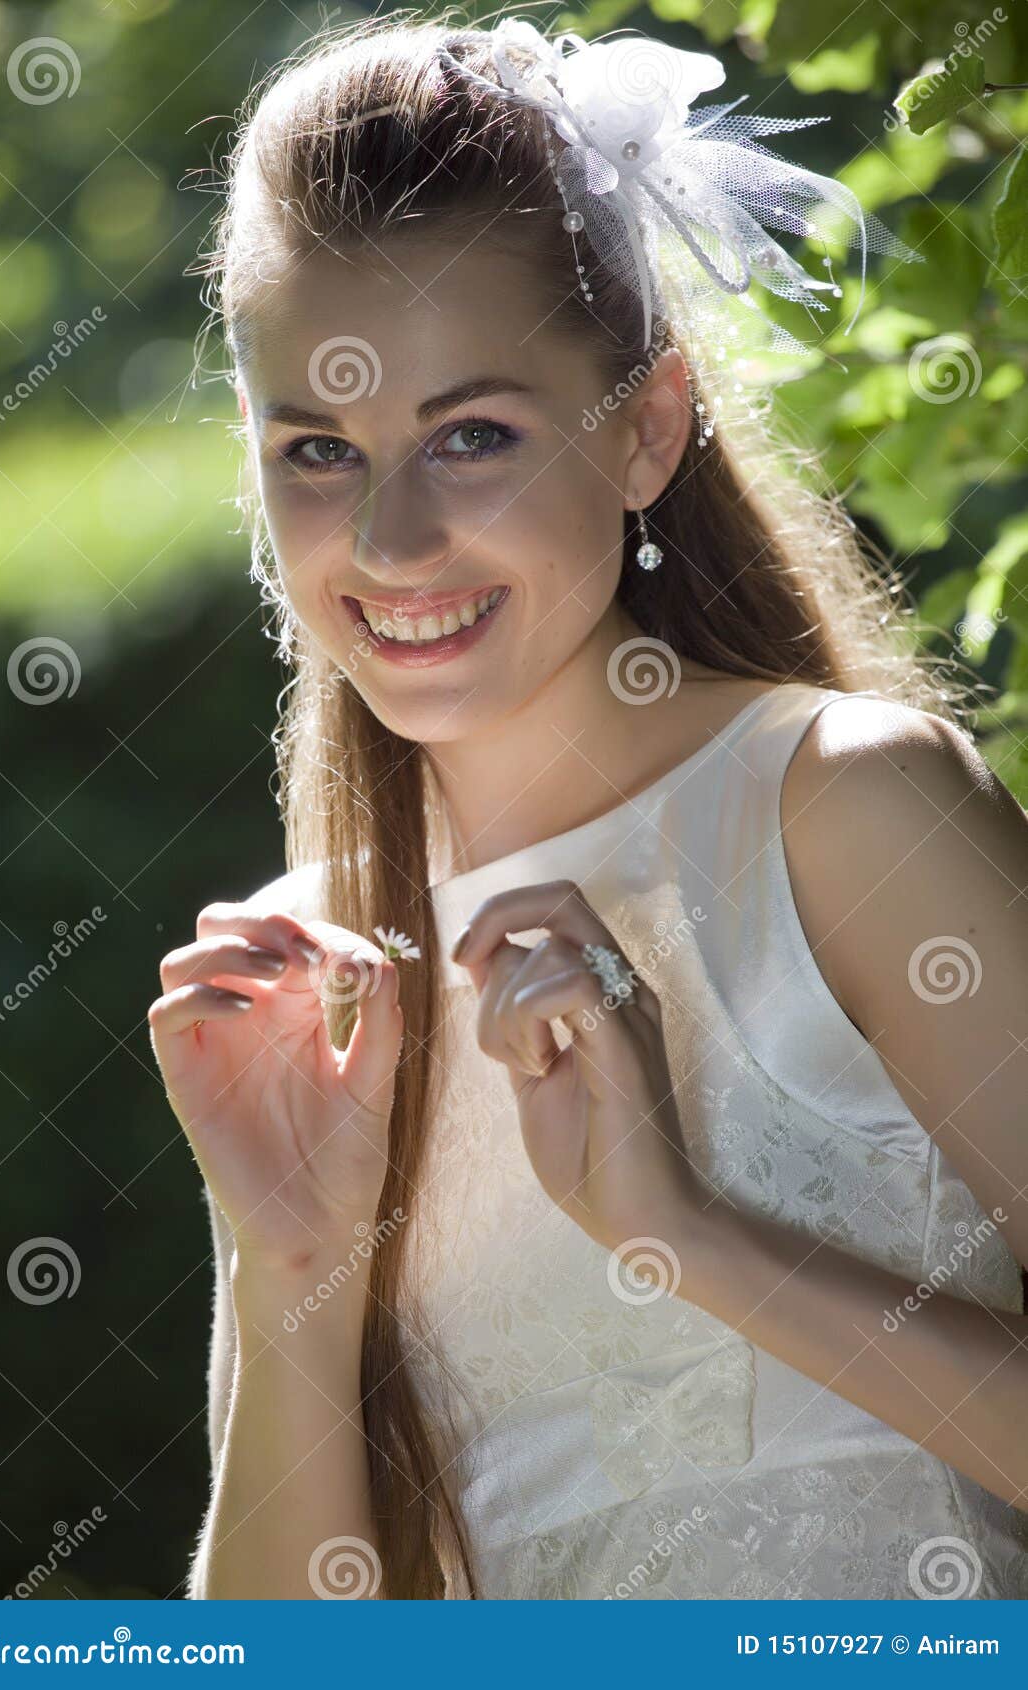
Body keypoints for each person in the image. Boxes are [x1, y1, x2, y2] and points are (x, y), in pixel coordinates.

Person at [148, 8, 1028, 1600]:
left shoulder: (843, 808)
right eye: (320, 450)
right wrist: (291, 1259)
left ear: (646, 429)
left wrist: (686, 1232)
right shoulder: (306, 973)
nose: (396, 539)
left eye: (470, 434)